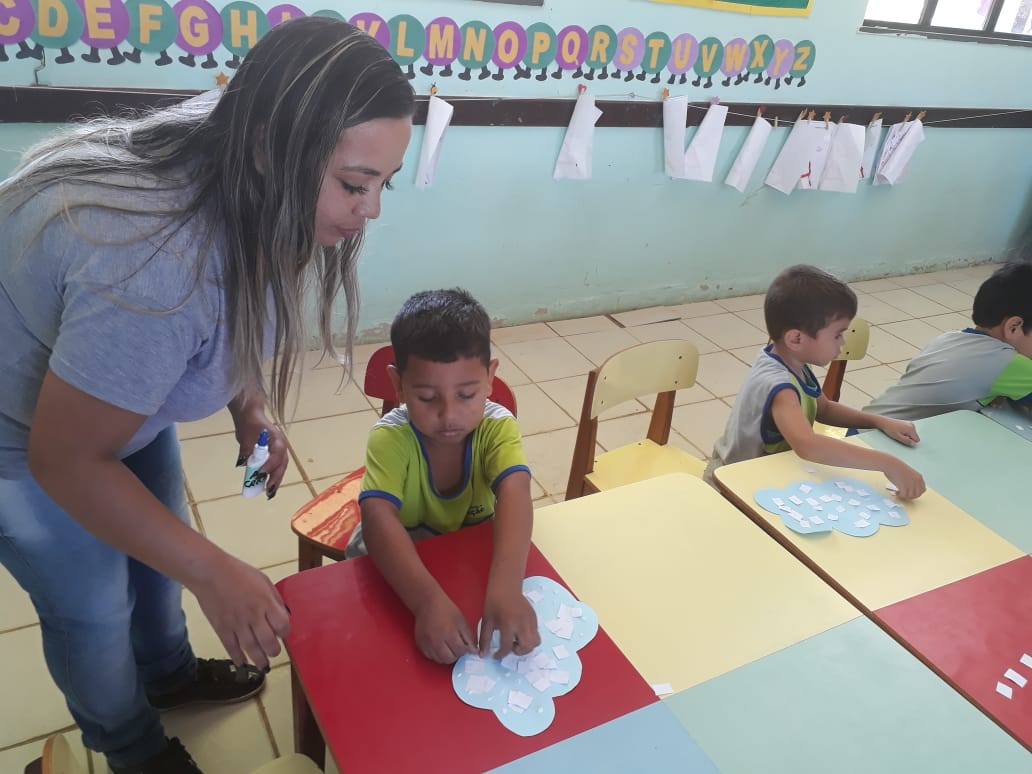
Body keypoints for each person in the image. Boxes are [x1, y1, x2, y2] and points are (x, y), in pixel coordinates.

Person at [0, 18, 414, 774]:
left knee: (158, 556)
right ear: (266, 153)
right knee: (93, 608)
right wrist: (216, 572)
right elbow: (66, 460)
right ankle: (131, 747)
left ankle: (167, 673)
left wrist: (248, 405)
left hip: (111, 402)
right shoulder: (151, 266)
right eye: (355, 185)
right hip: (23, 441)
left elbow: (242, 290)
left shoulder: (242, 135)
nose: (372, 211)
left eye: (385, 182)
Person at [346, 288, 541, 665]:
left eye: (466, 394)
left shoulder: (497, 427)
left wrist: (507, 587)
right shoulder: (390, 437)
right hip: (402, 561)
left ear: (490, 378)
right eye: (426, 397)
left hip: (466, 554)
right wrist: (426, 602)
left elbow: (516, 491)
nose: (449, 415)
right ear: (398, 384)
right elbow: (377, 519)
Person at [705, 265, 926, 499]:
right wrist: (887, 463)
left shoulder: (793, 361)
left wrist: (878, 421)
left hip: (770, 474)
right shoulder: (780, 387)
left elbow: (824, 409)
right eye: (837, 334)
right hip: (732, 487)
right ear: (796, 339)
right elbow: (807, 445)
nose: (842, 343)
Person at [863, 261, 1032, 421]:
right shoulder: (1009, 364)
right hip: (883, 437)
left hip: (863, 426)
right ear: (1014, 327)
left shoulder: (948, 338)